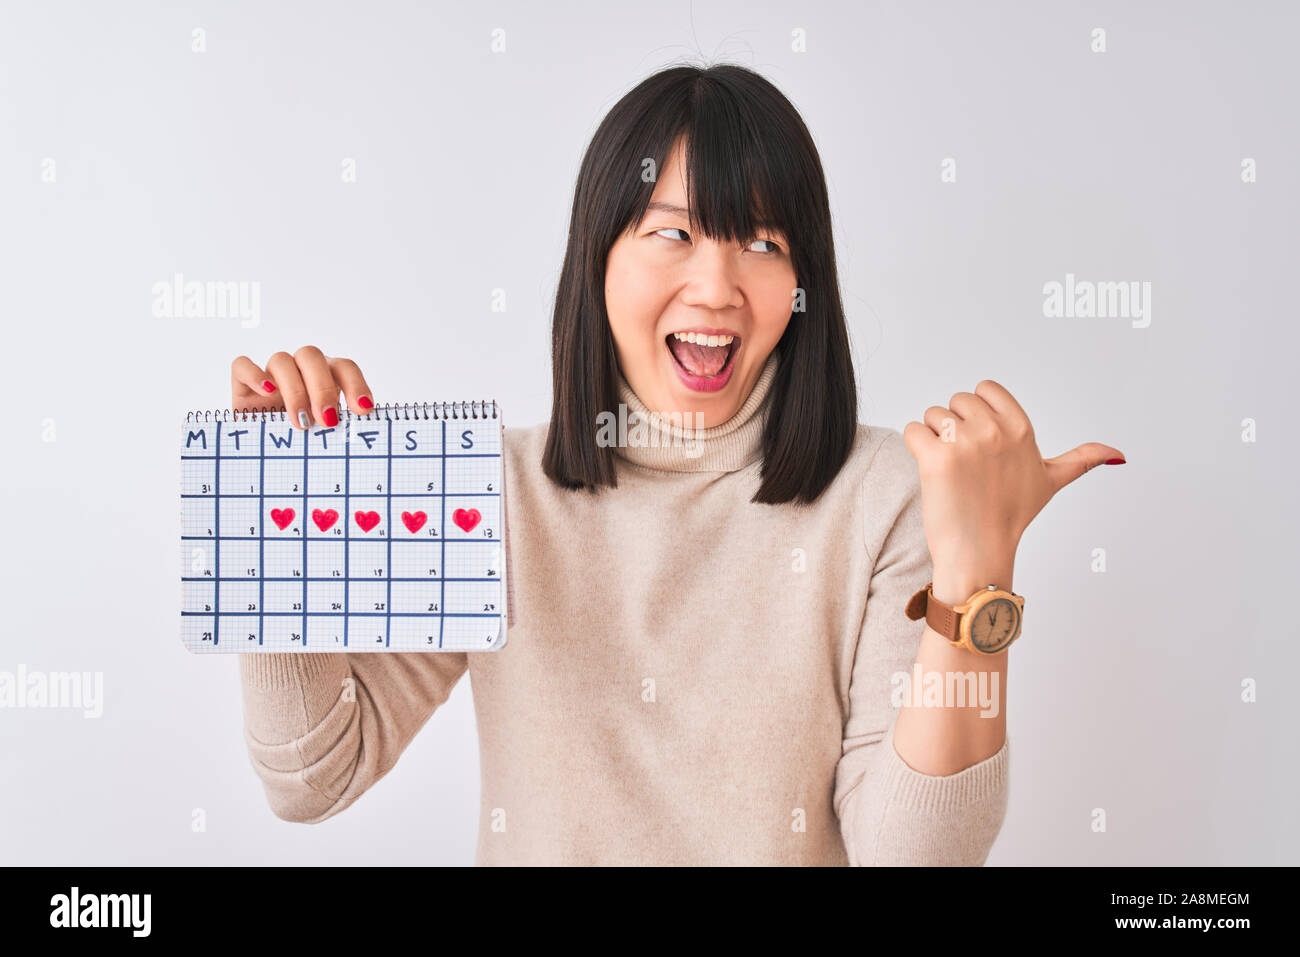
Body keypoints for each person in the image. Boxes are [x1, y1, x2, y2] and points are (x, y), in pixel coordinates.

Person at [227, 63, 1124, 865]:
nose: (718, 286)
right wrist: (274, 509)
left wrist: (977, 577)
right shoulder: (491, 494)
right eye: (673, 234)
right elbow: (312, 778)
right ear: (599, 258)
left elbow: (915, 857)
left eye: (764, 244)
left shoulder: (883, 496)